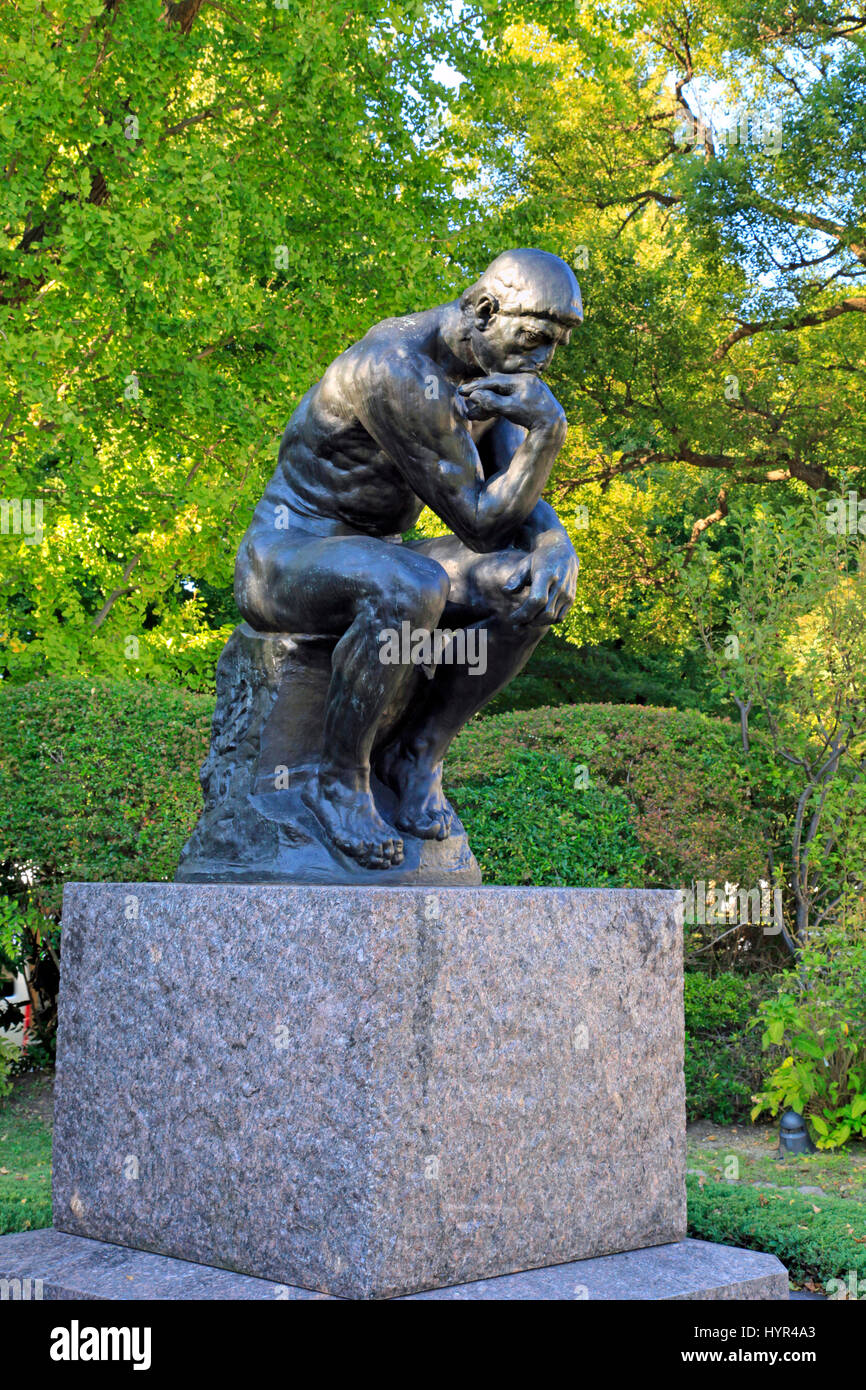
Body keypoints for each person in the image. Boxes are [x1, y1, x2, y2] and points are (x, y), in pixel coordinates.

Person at [235, 248, 582, 870]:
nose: (542, 361)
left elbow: (515, 492)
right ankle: (338, 782)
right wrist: (548, 434)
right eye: (532, 339)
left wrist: (556, 544)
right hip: (286, 556)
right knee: (411, 584)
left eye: (553, 345)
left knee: (527, 582)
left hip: (379, 555)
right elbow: (480, 521)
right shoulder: (394, 368)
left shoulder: (490, 369)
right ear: (483, 309)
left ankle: (416, 755)